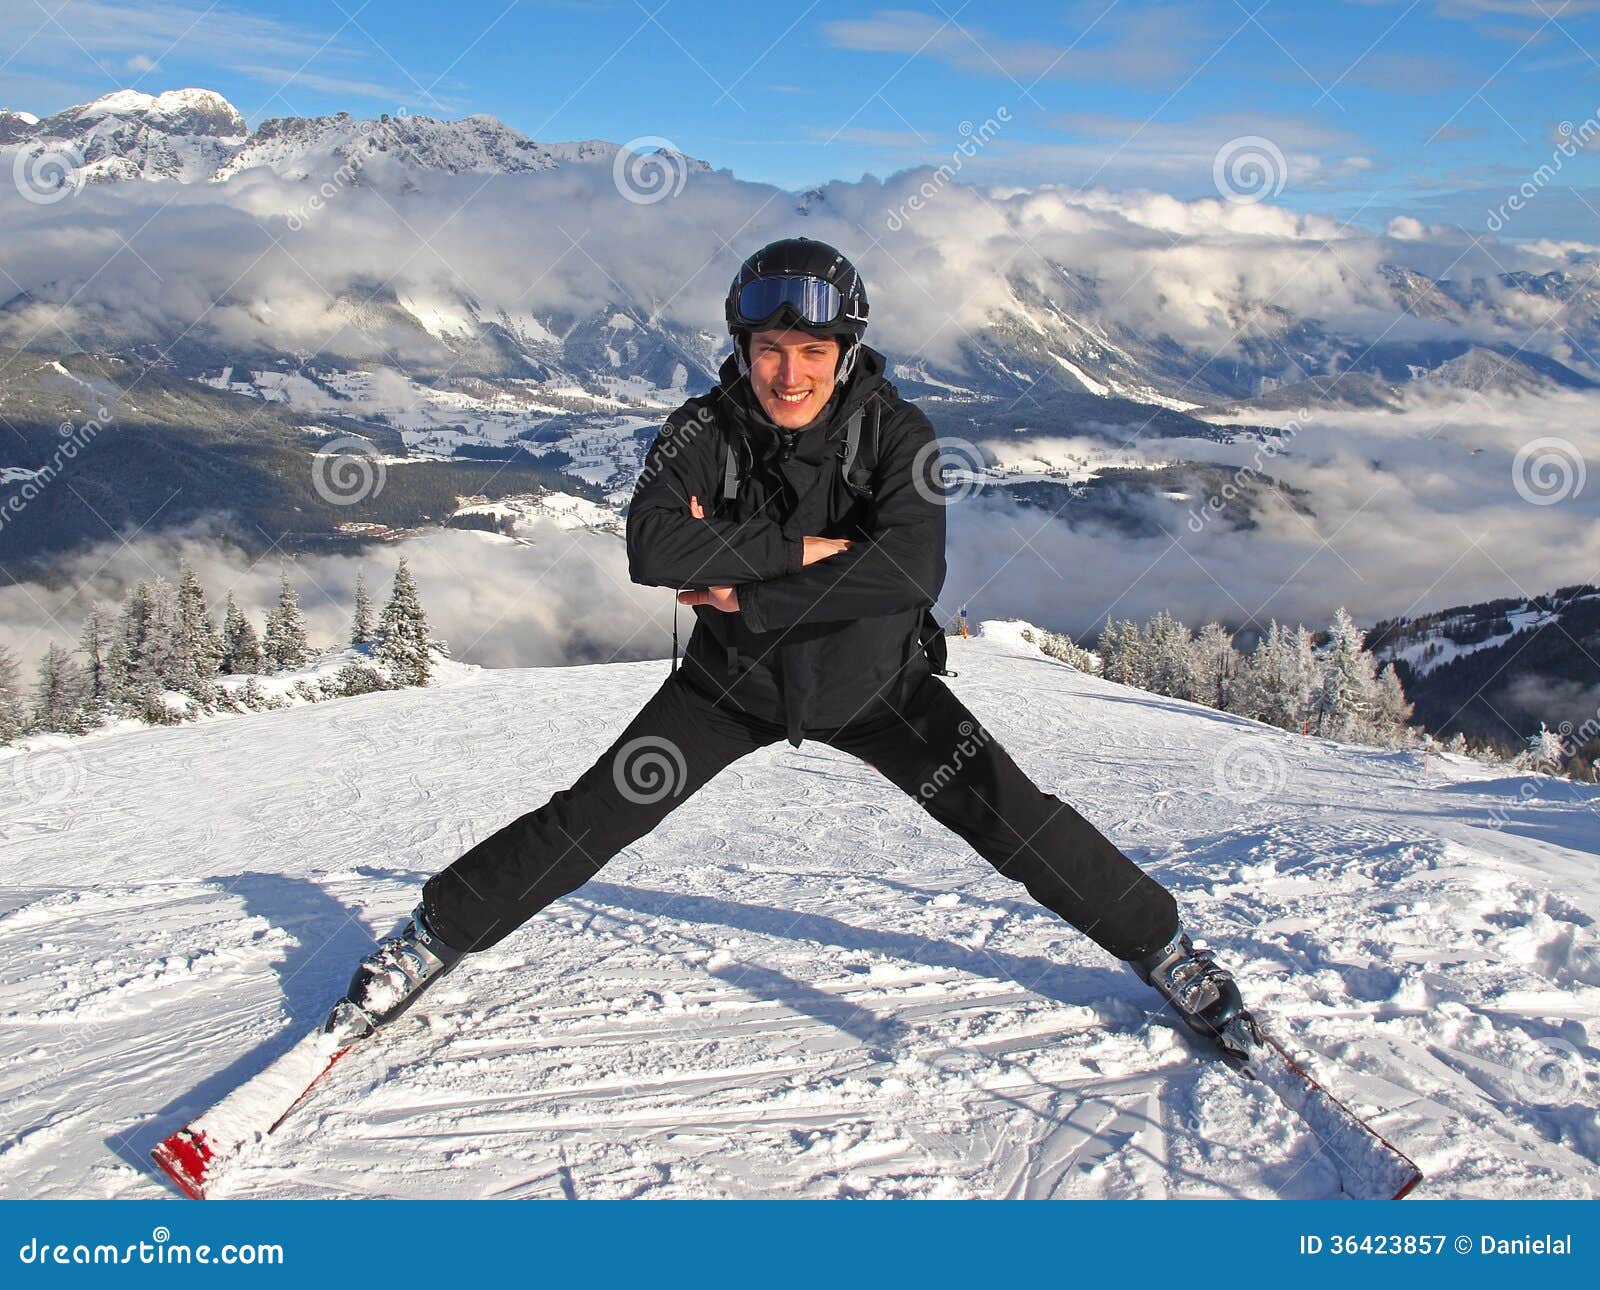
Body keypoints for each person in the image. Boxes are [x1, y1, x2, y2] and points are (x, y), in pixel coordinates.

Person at [331, 236, 1256, 1060]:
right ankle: (434, 936)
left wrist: (744, 586)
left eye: (812, 351)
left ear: (845, 353)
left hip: (880, 688)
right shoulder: (701, 429)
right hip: (728, 690)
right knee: (593, 819)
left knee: (1012, 818)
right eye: (769, 350)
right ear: (742, 349)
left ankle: (1165, 950)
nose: (789, 373)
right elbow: (651, 546)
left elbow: (908, 573)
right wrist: (804, 553)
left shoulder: (901, 434)